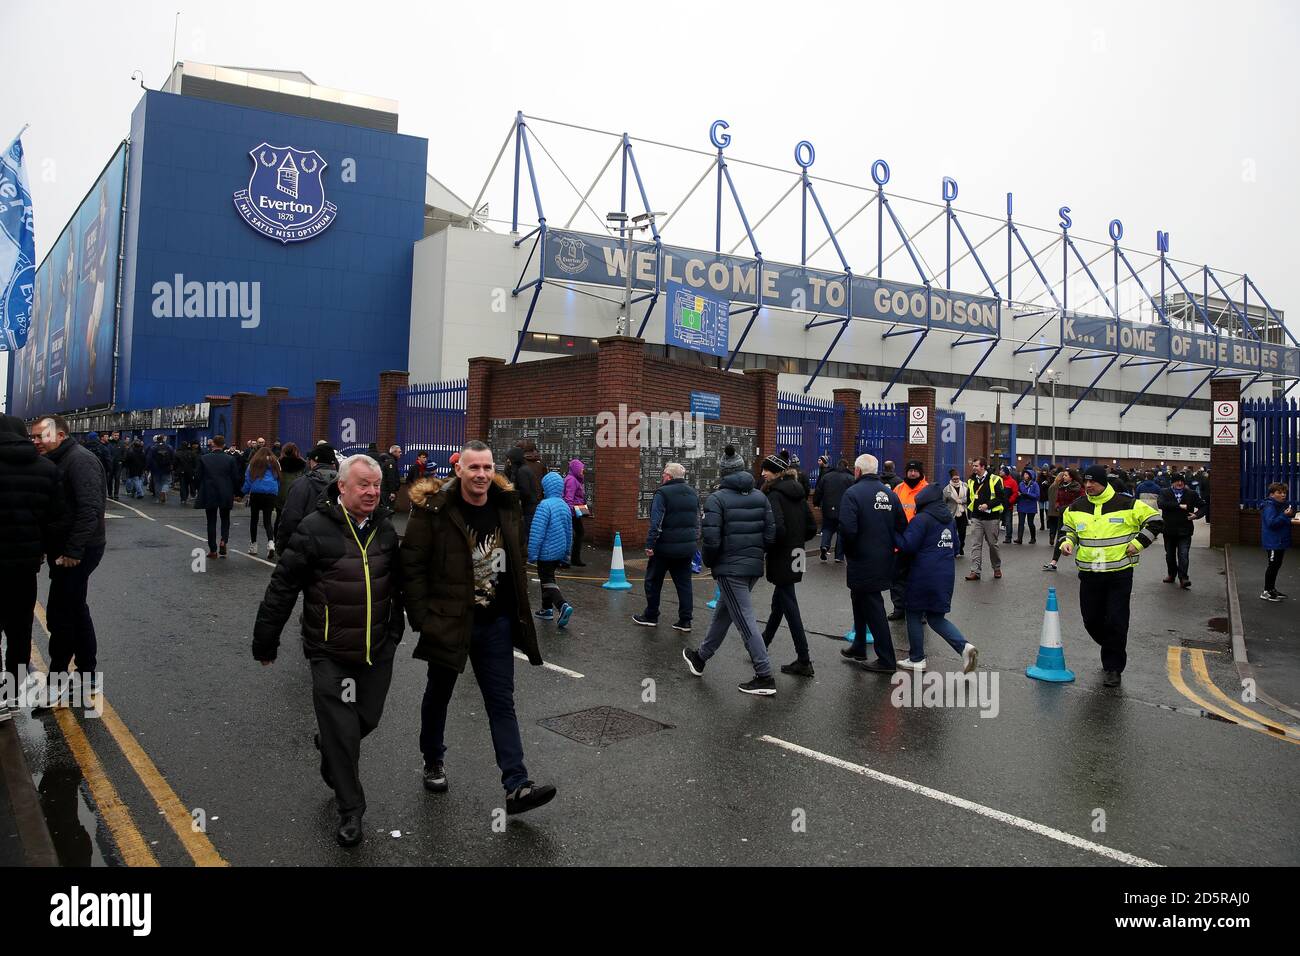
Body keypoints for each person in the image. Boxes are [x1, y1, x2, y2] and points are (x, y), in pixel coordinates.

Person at [253, 455, 404, 848]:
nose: (372, 492)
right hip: (329, 652)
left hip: (377, 649)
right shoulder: (314, 529)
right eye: (363, 485)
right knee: (342, 729)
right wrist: (266, 641)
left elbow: (401, 583)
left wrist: (397, 629)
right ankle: (351, 809)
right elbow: (282, 586)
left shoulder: (385, 529)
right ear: (342, 487)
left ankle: (331, 749)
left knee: (365, 721)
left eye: (376, 485)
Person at [401, 441, 557, 816]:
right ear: (459, 470)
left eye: (487, 468)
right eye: (474, 468)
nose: (482, 475)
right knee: (439, 695)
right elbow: (412, 566)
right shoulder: (435, 508)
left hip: (496, 624)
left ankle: (516, 784)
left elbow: (517, 559)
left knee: (501, 702)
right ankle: (433, 760)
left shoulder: (506, 503)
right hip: (449, 622)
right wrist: (423, 619)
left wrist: (518, 609)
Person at [682, 447, 778, 695]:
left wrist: (711, 563)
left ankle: (764, 674)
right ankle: (701, 657)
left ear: (723, 472)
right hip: (752, 566)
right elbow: (770, 534)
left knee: (745, 620)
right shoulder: (760, 496)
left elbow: (711, 540)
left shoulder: (717, 499)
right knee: (724, 612)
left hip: (729, 567)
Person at [1058, 464, 1162, 687]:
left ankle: (1113, 667)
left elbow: (1155, 520)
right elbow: (1068, 529)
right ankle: (1113, 646)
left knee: (1116, 620)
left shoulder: (1126, 503)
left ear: (1103, 482)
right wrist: (1066, 542)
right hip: (1089, 574)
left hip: (1119, 573)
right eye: (1085, 482)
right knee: (1091, 621)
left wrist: (1138, 543)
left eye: (1092, 482)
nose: (1088, 486)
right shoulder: (1076, 506)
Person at [30, 415, 107, 707]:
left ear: (60, 435)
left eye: (41, 436)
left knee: (61, 615)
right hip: (66, 549)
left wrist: (73, 551)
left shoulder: (79, 460)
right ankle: (87, 676)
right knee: (75, 609)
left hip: (78, 552)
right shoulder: (57, 459)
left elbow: (90, 509)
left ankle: (57, 683)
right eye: (33, 437)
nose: (35, 441)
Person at [0, 415, 65, 714]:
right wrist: (50, 554)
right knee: (19, 630)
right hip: (25, 566)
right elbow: (55, 520)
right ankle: (11, 694)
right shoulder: (46, 469)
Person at [894, 482, 978, 673]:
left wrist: (894, 535)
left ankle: (917, 658)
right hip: (945, 575)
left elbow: (908, 546)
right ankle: (964, 648)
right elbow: (956, 547)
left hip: (923, 574)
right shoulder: (948, 520)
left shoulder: (921, 520)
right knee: (936, 617)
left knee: (913, 612)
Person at [839, 453, 907, 673]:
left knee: (873, 606)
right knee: (858, 598)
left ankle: (886, 658)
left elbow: (847, 529)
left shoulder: (852, 493)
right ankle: (859, 645)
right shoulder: (889, 494)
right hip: (884, 557)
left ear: (857, 471)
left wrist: (849, 553)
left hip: (861, 558)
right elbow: (902, 525)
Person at [759, 455, 818, 677]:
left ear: (775, 472)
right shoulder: (798, 493)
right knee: (781, 601)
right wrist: (797, 540)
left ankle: (804, 659)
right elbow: (811, 527)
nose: (763, 473)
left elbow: (777, 529)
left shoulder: (774, 495)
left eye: (766, 470)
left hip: (782, 555)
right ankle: (762, 643)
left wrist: (768, 546)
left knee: (789, 605)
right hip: (798, 552)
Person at [633, 462, 699, 631]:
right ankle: (685, 620)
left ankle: (651, 615)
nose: (661, 476)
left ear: (669, 476)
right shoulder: (693, 493)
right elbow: (698, 520)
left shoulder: (662, 493)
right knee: (684, 584)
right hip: (686, 548)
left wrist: (650, 543)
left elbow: (656, 522)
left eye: (663, 474)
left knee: (653, 582)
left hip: (664, 547)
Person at [528, 471, 575, 627]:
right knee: (547, 577)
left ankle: (562, 605)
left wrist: (532, 553)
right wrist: (567, 553)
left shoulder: (544, 505)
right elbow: (569, 532)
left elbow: (537, 532)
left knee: (547, 579)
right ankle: (546, 609)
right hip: (559, 550)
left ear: (546, 488)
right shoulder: (565, 506)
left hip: (546, 551)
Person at [276, 445, 339, 555]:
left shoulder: (302, 484)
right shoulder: (347, 484)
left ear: (313, 461)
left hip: (307, 548)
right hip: (339, 550)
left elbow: (290, 518)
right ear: (333, 463)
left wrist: (283, 546)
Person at [887, 460, 929, 621]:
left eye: (915, 471)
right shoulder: (898, 489)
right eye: (910, 470)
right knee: (896, 578)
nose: (912, 474)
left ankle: (921, 611)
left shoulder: (927, 490)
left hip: (920, 543)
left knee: (919, 578)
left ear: (920, 472)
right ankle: (899, 608)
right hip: (900, 542)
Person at [194, 435, 243, 558]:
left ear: (213, 444)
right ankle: (223, 540)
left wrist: (198, 489)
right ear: (223, 445)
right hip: (225, 492)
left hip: (209, 493)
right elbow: (236, 478)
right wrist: (238, 493)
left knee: (211, 521)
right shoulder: (230, 459)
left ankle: (213, 550)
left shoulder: (204, 458)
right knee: (225, 519)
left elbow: (198, 477)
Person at [1156, 474, 1204, 588]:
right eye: (1176, 481)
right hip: (1169, 530)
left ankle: (1183, 578)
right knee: (1170, 555)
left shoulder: (1191, 494)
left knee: (1183, 554)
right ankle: (1171, 575)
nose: (1179, 483)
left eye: (1181, 481)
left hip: (1185, 530)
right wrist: (1179, 506)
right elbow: (1161, 504)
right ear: (1172, 483)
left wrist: (1196, 515)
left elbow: (1203, 506)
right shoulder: (1165, 492)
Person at [965, 458, 1005, 581]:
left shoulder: (995, 479)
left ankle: (996, 568)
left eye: (976, 466)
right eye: (973, 466)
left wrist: (988, 505)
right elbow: (969, 499)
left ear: (983, 467)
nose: (974, 468)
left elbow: (1001, 498)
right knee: (976, 544)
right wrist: (970, 514)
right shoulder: (971, 481)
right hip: (977, 517)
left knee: (992, 544)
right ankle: (975, 571)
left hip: (991, 517)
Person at [242, 447, 282, 558]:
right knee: (267, 520)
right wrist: (275, 490)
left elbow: (248, 479)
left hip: (257, 491)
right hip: (271, 493)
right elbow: (279, 479)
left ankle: (253, 546)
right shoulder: (275, 463)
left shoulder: (254, 462)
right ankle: (271, 543)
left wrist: (242, 493)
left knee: (254, 519)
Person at [813, 457, 854, 562]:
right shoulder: (850, 478)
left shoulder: (827, 476)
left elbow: (818, 491)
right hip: (844, 509)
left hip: (827, 507)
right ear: (846, 467)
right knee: (841, 532)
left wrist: (816, 503)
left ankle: (824, 545)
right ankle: (838, 556)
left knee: (827, 528)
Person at [1043, 468, 1083, 571]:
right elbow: (1058, 499)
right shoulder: (1061, 486)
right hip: (1062, 515)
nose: (1063, 477)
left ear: (1071, 477)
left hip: (1076, 517)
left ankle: (1082, 561)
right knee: (1060, 537)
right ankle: (1053, 562)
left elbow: (1082, 501)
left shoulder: (1078, 488)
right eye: (1063, 475)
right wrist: (1058, 506)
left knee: (1080, 538)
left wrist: (1069, 508)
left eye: (1066, 475)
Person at [1260, 482, 1294, 601]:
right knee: (1273, 565)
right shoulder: (1270, 506)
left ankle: (1271, 589)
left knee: (1277, 565)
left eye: (1284, 492)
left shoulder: (1281, 505)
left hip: (1280, 541)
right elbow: (1271, 523)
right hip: (1273, 541)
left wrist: (1289, 515)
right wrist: (1285, 516)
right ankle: (1266, 591)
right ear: (1272, 494)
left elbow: (1283, 519)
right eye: (1279, 492)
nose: (1283, 495)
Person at [505, 446, 540, 551]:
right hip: (530, 507)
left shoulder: (522, 471)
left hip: (528, 509)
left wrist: (513, 494)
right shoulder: (523, 469)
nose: (507, 461)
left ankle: (529, 558)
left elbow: (525, 492)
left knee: (527, 534)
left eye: (509, 458)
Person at [563, 458, 589, 567]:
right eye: (581, 469)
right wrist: (570, 513)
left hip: (575, 511)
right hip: (572, 513)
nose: (583, 472)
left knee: (577, 533)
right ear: (576, 469)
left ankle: (573, 558)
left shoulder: (574, 479)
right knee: (579, 533)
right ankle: (574, 558)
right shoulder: (572, 480)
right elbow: (569, 498)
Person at [942, 468, 968, 557]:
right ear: (951, 479)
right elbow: (943, 502)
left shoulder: (965, 486)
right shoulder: (946, 489)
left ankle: (961, 546)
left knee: (962, 532)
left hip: (963, 513)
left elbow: (969, 498)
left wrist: (962, 501)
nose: (956, 480)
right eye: (954, 479)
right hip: (952, 514)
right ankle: (955, 549)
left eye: (957, 478)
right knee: (953, 532)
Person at [1015, 467, 1041, 544]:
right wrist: (1019, 495)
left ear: (1030, 476)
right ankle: (1019, 538)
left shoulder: (1035, 484)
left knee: (1030, 523)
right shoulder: (1021, 483)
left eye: (1026, 474)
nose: (1025, 475)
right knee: (1021, 522)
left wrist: (1025, 494)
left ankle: (1033, 538)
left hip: (1031, 505)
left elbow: (1037, 495)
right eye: (1024, 474)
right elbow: (1019, 492)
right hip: (1022, 504)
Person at [377, 444, 402, 509]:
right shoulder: (391, 462)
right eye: (399, 452)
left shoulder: (388, 461)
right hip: (387, 491)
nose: (400, 453)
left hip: (384, 489)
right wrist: (392, 492)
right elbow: (391, 478)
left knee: (385, 509)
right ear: (394, 452)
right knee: (389, 510)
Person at [1000, 466, 1020, 543]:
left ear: (1006, 472)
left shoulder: (1012, 482)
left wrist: (1009, 501)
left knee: (1008, 522)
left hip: (1008, 505)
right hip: (999, 505)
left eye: (1002, 471)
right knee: (995, 522)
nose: (1000, 472)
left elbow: (1015, 493)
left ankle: (1008, 537)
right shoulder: (999, 480)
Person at [175, 441, 198, 505]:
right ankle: (192, 494)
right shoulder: (192, 453)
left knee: (183, 485)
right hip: (190, 471)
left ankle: (183, 498)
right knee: (190, 483)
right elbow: (195, 463)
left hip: (181, 471)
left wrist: (176, 470)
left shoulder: (177, 453)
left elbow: (175, 463)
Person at [107, 432, 125, 501]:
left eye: (117, 435)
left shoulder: (121, 443)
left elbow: (124, 452)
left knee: (117, 479)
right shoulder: (109, 443)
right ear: (112, 435)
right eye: (115, 435)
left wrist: (122, 460)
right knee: (109, 479)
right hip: (110, 464)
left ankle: (116, 494)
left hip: (118, 464)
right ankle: (110, 493)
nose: (116, 436)